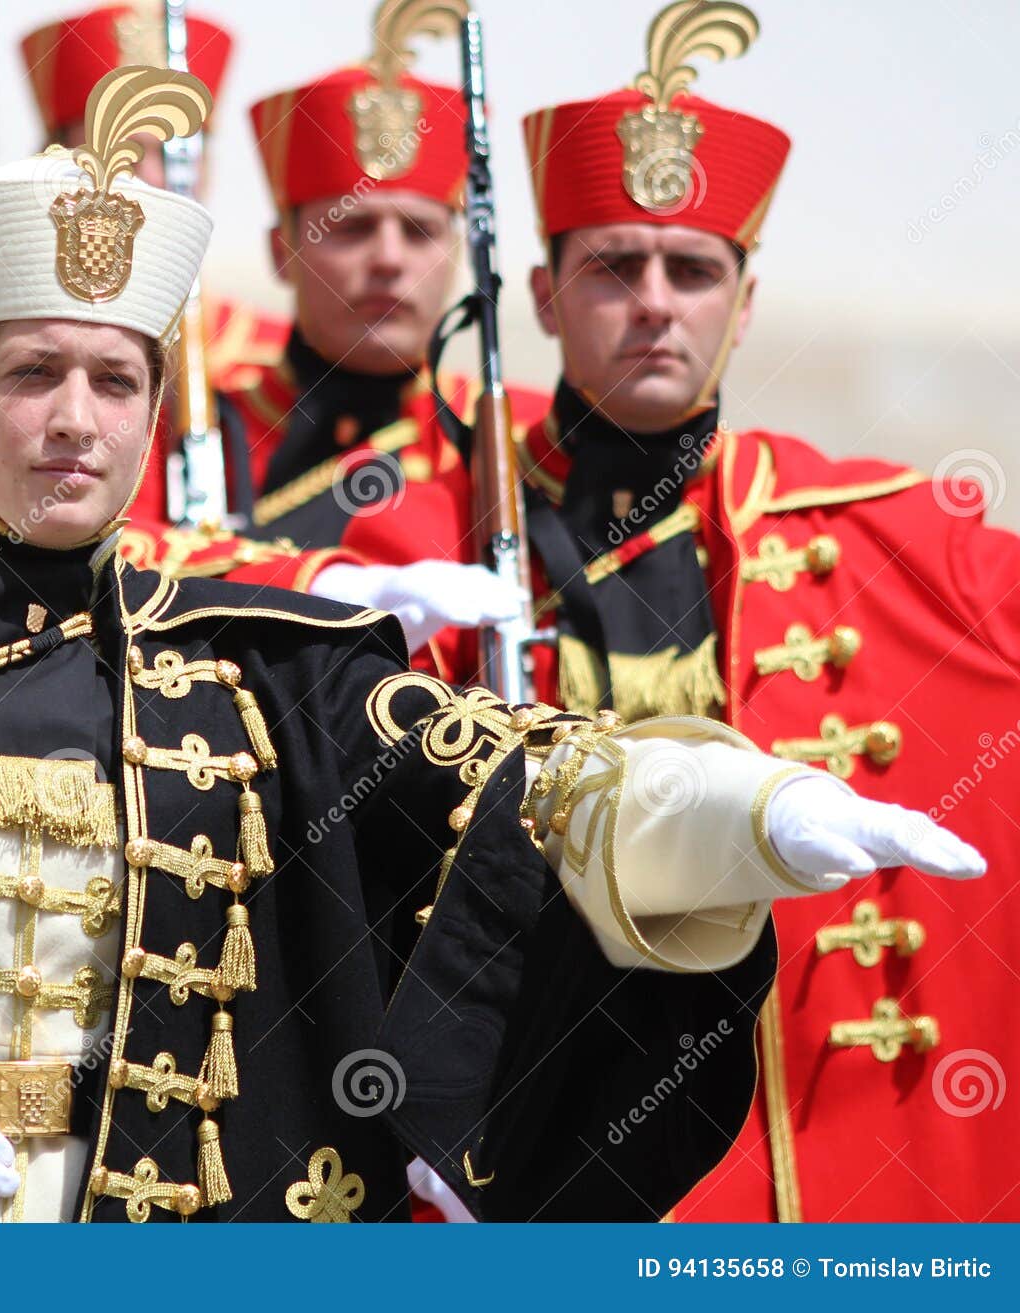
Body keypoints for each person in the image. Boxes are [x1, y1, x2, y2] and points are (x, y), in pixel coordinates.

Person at [0, 64, 983, 1225]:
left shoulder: (253, 653)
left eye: (114, 383)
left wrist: (755, 816)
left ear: (157, 409)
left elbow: (537, 789)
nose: (72, 421)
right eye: (32, 371)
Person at [514, 0, 1020, 1220]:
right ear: (542, 295)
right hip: (540, 1136)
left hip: (817, 1159)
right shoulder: (429, 539)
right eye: (611, 267)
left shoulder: (892, 535)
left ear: (741, 305)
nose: (653, 301)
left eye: (692, 271)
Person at [167, 0, 549, 678]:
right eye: (351, 228)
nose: (389, 260)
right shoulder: (190, 423)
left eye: (421, 231)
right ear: (282, 250)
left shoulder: (519, 439)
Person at [0, 3, 285, 410]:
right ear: (51, 159)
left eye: (176, 156)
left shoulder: (272, 372)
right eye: (122, 153)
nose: (153, 179)